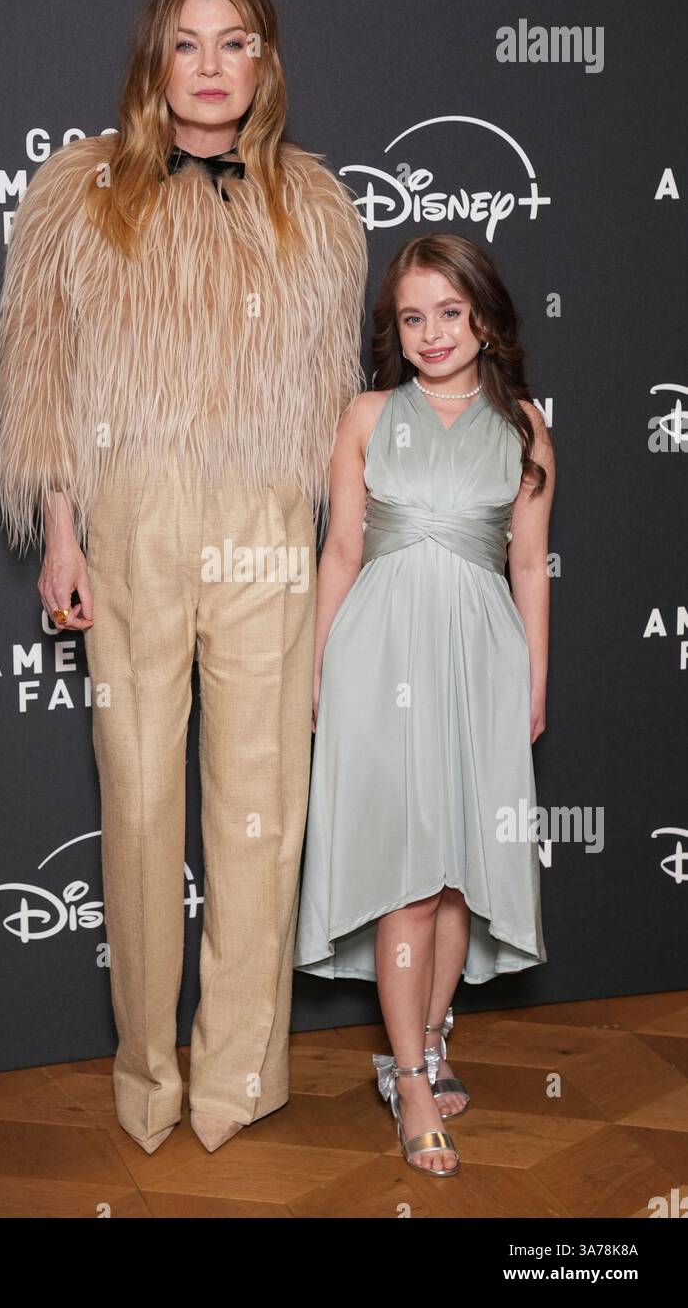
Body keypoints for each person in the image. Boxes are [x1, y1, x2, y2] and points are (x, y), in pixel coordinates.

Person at [0, 0, 368, 1156]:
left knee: (260, 814)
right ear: (155, 61)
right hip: (134, 514)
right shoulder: (77, 190)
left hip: (265, 519)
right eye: (187, 43)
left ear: (264, 65)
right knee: (141, 800)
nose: (210, 65)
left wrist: (334, 558)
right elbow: (39, 376)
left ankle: (240, 1076)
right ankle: (147, 1075)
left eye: (236, 42)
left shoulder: (318, 207)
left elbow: (336, 414)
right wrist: (62, 529)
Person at [294, 232, 554, 1176]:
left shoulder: (524, 427)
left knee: (453, 881)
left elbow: (528, 565)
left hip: (481, 660)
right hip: (380, 657)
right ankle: (408, 1079)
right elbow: (339, 555)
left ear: (484, 316)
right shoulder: (366, 415)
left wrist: (531, 682)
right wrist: (322, 670)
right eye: (413, 317)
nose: (434, 332)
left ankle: (432, 1042)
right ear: (394, 333)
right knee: (407, 877)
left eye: (451, 312)